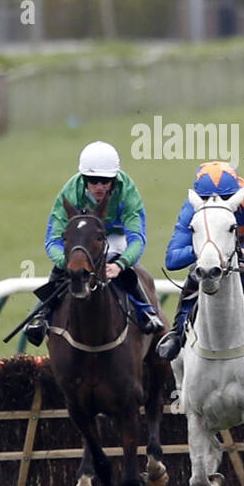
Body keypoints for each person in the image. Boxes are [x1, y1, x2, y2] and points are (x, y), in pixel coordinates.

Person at [155, 162, 244, 360]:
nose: (216, 202)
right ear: (199, 197)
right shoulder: (192, 205)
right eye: (207, 199)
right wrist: (208, 250)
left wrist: (241, 252)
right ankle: (177, 332)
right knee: (194, 273)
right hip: (208, 244)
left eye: (225, 198)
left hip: (242, 242)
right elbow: (172, 259)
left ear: (236, 194)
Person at [25, 141, 164, 346]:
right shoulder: (70, 192)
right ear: (84, 178)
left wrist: (120, 264)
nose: (99, 186)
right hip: (83, 237)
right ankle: (43, 315)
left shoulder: (128, 191)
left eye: (105, 180)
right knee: (64, 266)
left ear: (114, 178)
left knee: (119, 260)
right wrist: (69, 263)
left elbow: (137, 238)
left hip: (115, 236)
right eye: (93, 180)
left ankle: (146, 310)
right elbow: (52, 240)